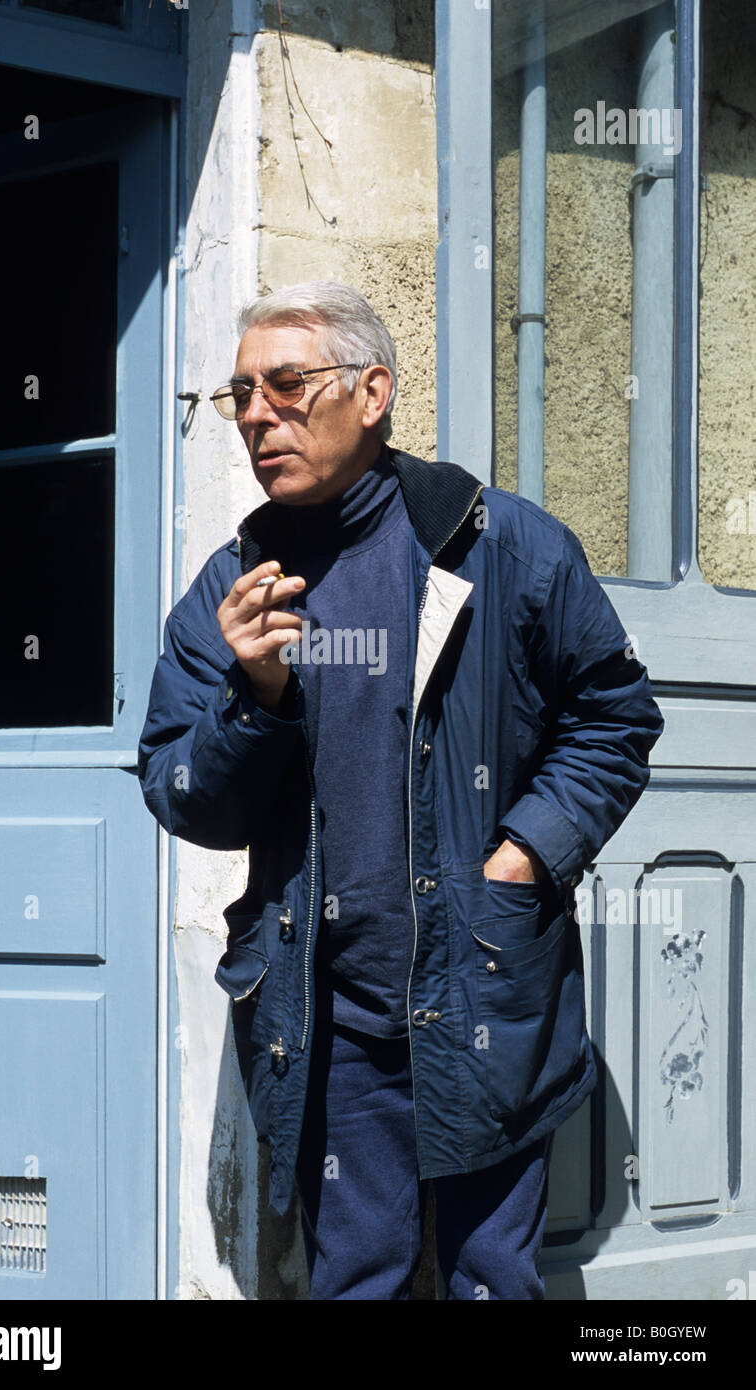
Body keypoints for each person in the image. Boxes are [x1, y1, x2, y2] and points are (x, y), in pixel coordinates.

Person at [137, 280, 665, 1300]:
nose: (255, 415)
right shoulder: (233, 585)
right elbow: (184, 795)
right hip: (322, 1019)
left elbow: (615, 715)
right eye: (239, 393)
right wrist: (256, 696)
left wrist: (523, 853)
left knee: (490, 1278)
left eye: (286, 384)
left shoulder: (501, 548)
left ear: (370, 390)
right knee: (356, 1280)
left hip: (484, 987)